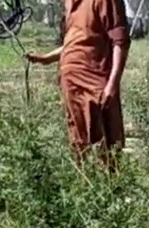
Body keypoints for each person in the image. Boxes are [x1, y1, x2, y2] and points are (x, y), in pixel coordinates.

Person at [25, 0, 131, 165]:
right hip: (71, 82)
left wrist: (113, 83)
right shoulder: (69, 3)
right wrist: (45, 59)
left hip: (95, 80)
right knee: (79, 138)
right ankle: (84, 182)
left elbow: (120, 42)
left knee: (105, 140)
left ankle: (109, 186)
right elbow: (76, 41)